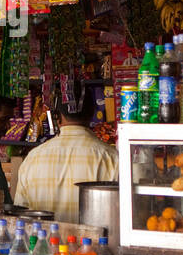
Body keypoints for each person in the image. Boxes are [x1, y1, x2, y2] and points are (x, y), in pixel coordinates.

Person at [14, 89, 118, 223]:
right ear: (92, 113)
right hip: (93, 243)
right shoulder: (112, 158)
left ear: (56, 116)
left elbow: (20, 215)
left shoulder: (32, 159)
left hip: (42, 242)